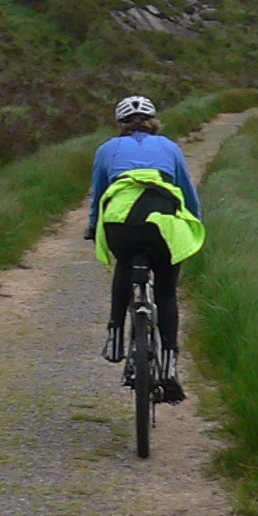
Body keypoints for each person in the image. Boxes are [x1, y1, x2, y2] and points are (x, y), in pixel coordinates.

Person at [85, 94, 204, 403]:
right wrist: (196, 223)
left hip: (120, 222)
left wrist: (92, 227)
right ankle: (169, 365)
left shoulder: (107, 150)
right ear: (154, 123)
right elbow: (188, 195)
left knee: (125, 265)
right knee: (165, 292)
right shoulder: (170, 147)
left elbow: (99, 195)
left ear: (121, 125)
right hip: (162, 222)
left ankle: (114, 338)